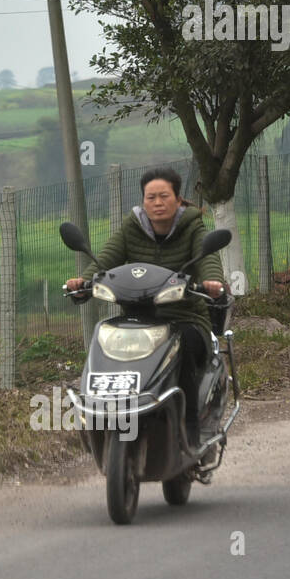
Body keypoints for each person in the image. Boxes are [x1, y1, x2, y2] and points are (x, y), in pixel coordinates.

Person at [65, 166, 225, 446]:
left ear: (178, 199)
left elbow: (207, 258)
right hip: (137, 319)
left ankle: (189, 431)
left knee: (184, 347)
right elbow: (106, 260)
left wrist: (212, 282)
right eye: (151, 197)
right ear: (143, 201)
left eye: (164, 196)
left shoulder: (192, 226)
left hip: (185, 318)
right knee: (106, 338)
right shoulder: (132, 226)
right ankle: (100, 417)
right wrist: (84, 281)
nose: (158, 203)